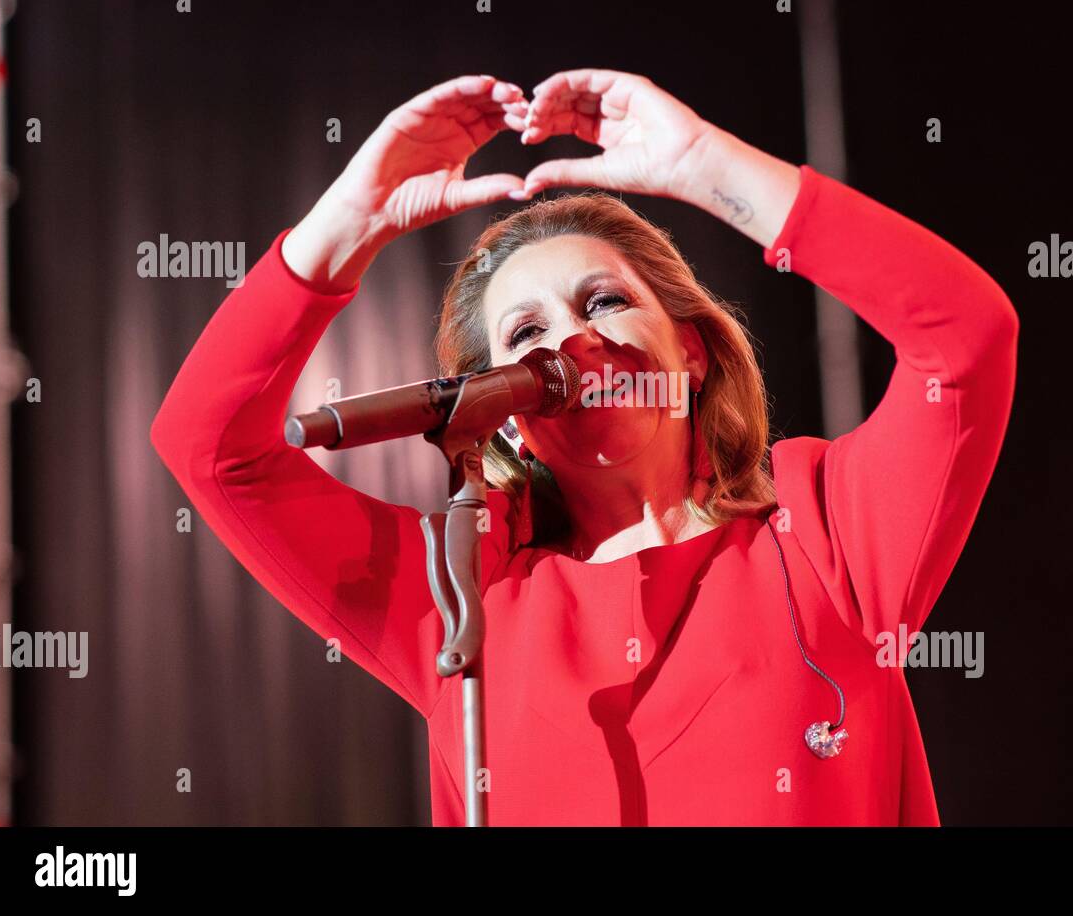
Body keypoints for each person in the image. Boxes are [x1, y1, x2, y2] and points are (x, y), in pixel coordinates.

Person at [150, 69, 1018, 825]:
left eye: (602, 302)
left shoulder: (826, 529)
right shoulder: (458, 593)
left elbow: (966, 341)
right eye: (526, 330)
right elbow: (210, 447)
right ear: (501, 409)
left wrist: (706, 170)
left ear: (691, 347)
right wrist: (350, 218)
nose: (572, 341)